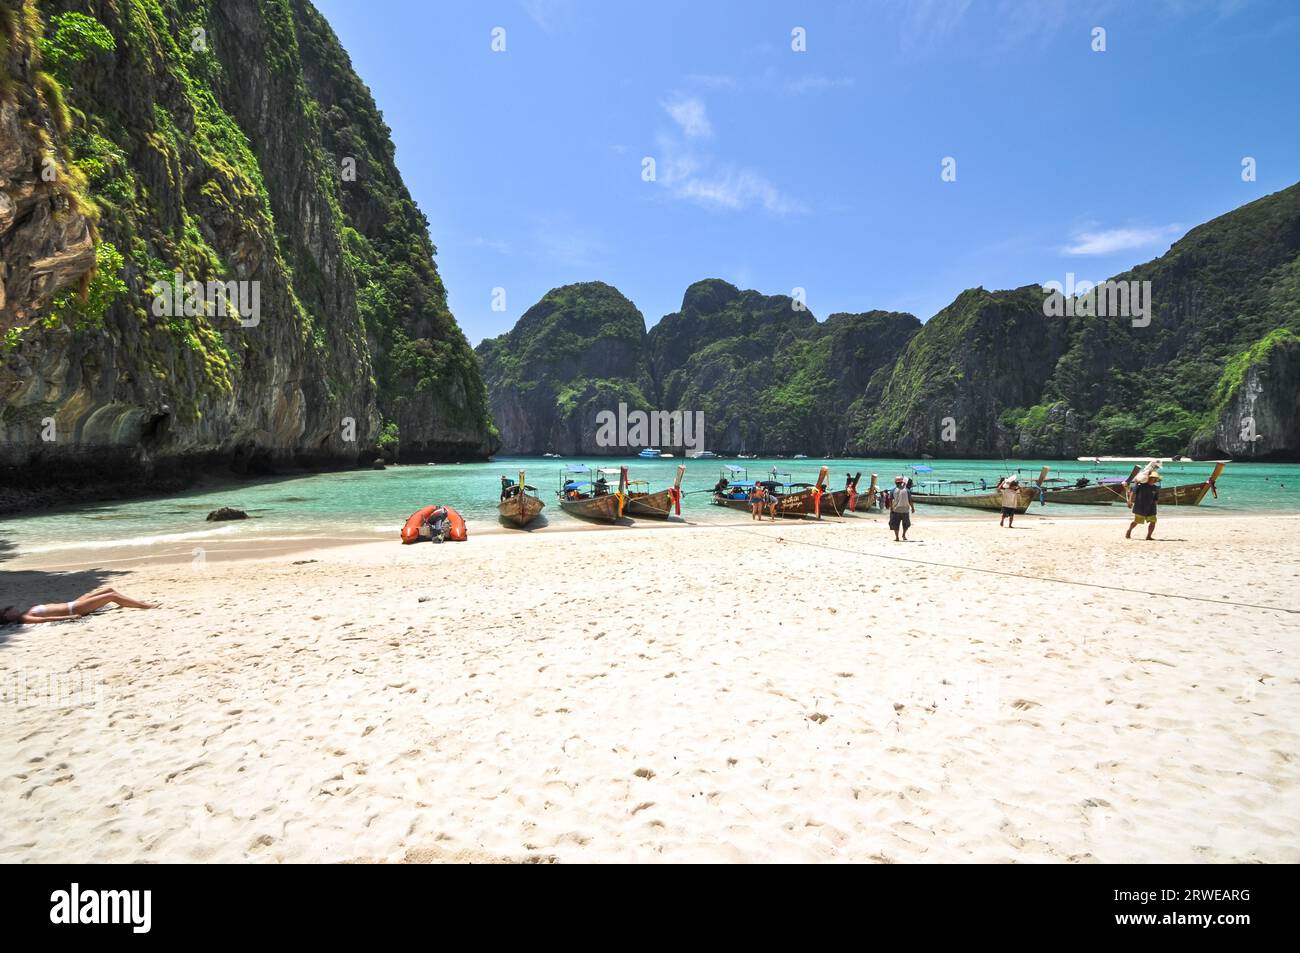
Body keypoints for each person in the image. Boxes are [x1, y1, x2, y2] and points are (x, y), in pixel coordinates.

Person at [1, 587, 159, 626]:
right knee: (112, 596)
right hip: (75, 609)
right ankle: (146, 606)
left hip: (73, 603)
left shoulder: (24, 612)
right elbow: (46, 619)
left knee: (108, 590)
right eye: (8, 610)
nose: (12, 609)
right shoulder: (23, 618)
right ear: (7, 617)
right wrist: (69, 617)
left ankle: (136, 602)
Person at [1127, 461, 1161, 539]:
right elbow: (1133, 493)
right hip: (1140, 506)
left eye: (1155, 479)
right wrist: (1130, 501)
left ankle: (1149, 536)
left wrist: (1155, 505)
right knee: (1136, 522)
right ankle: (1129, 531)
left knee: (1153, 522)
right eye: (1153, 478)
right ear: (1149, 478)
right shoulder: (1141, 485)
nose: (1154, 480)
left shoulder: (1155, 488)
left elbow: (1156, 499)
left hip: (1151, 508)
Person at [889, 474, 914, 541]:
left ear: (895, 482)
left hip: (896, 510)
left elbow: (890, 500)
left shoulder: (893, 490)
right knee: (906, 524)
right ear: (902, 482)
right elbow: (910, 500)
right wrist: (913, 508)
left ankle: (897, 537)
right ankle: (903, 535)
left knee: (895, 524)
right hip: (905, 510)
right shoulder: (907, 490)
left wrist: (891, 508)